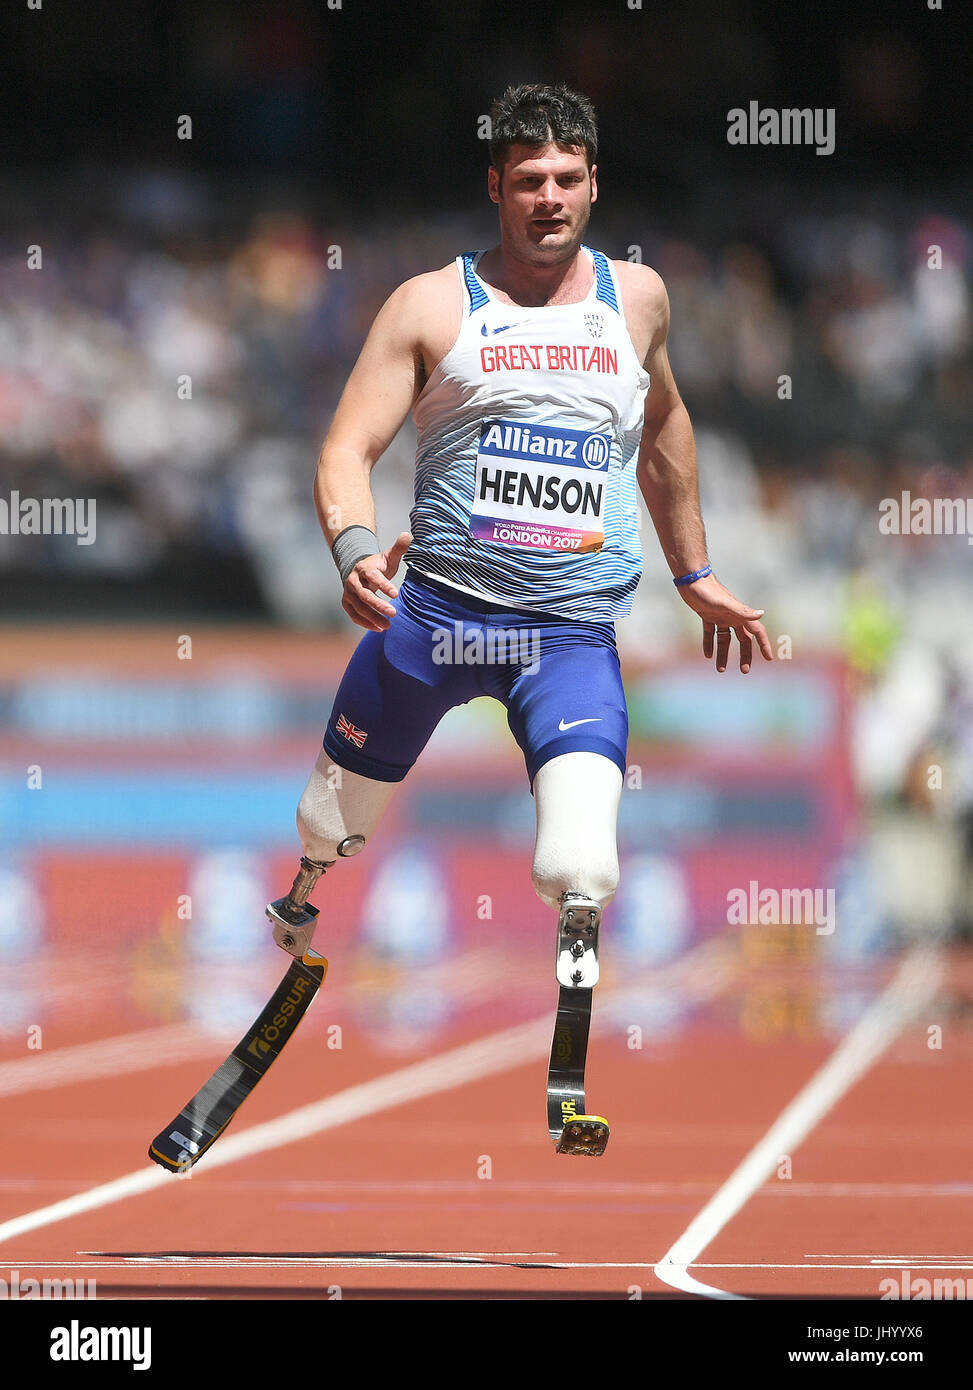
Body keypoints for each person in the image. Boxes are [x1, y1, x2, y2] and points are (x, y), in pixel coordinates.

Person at [277, 83, 772, 1120]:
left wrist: (693, 573)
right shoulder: (428, 305)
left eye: (568, 179)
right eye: (529, 180)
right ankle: (301, 907)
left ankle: (569, 1039)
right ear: (495, 185)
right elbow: (345, 446)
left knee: (582, 858)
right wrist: (355, 547)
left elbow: (667, 427)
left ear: (594, 184)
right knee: (326, 823)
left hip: (569, 637)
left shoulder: (637, 298)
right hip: (435, 621)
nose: (549, 198)